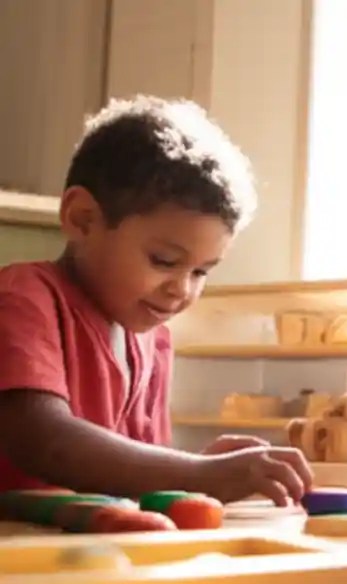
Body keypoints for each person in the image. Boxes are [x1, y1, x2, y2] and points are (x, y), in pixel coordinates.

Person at [0, 96, 312, 505]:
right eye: (164, 261)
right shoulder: (24, 299)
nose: (182, 290)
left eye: (202, 272)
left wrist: (188, 466)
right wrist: (198, 474)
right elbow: (44, 440)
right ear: (83, 219)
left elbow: (124, 476)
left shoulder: (153, 340)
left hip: (92, 557)